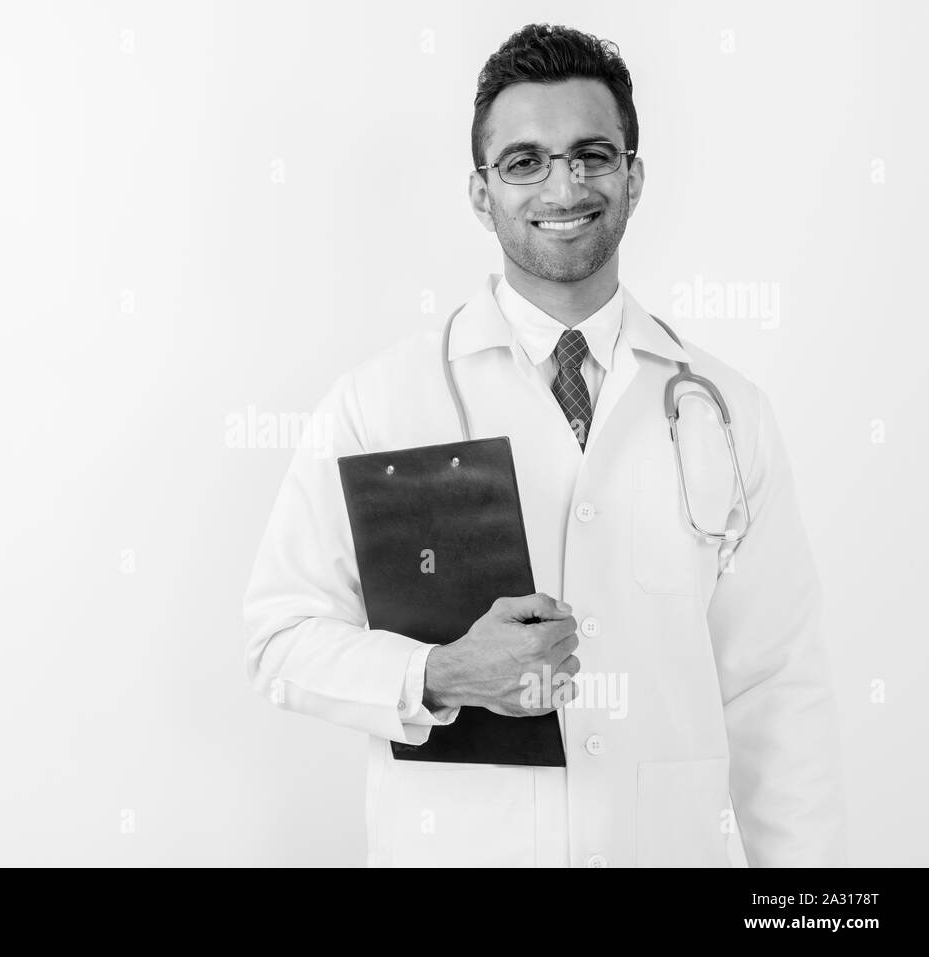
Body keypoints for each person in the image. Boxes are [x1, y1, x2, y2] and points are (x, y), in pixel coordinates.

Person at [242, 23, 845, 867]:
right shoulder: (380, 404)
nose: (563, 185)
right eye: (524, 161)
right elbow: (279, 637)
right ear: (480, 193)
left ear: (633, 177)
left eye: (592, 154)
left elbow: (775, 693)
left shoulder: (727, 411)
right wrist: (440, 673)